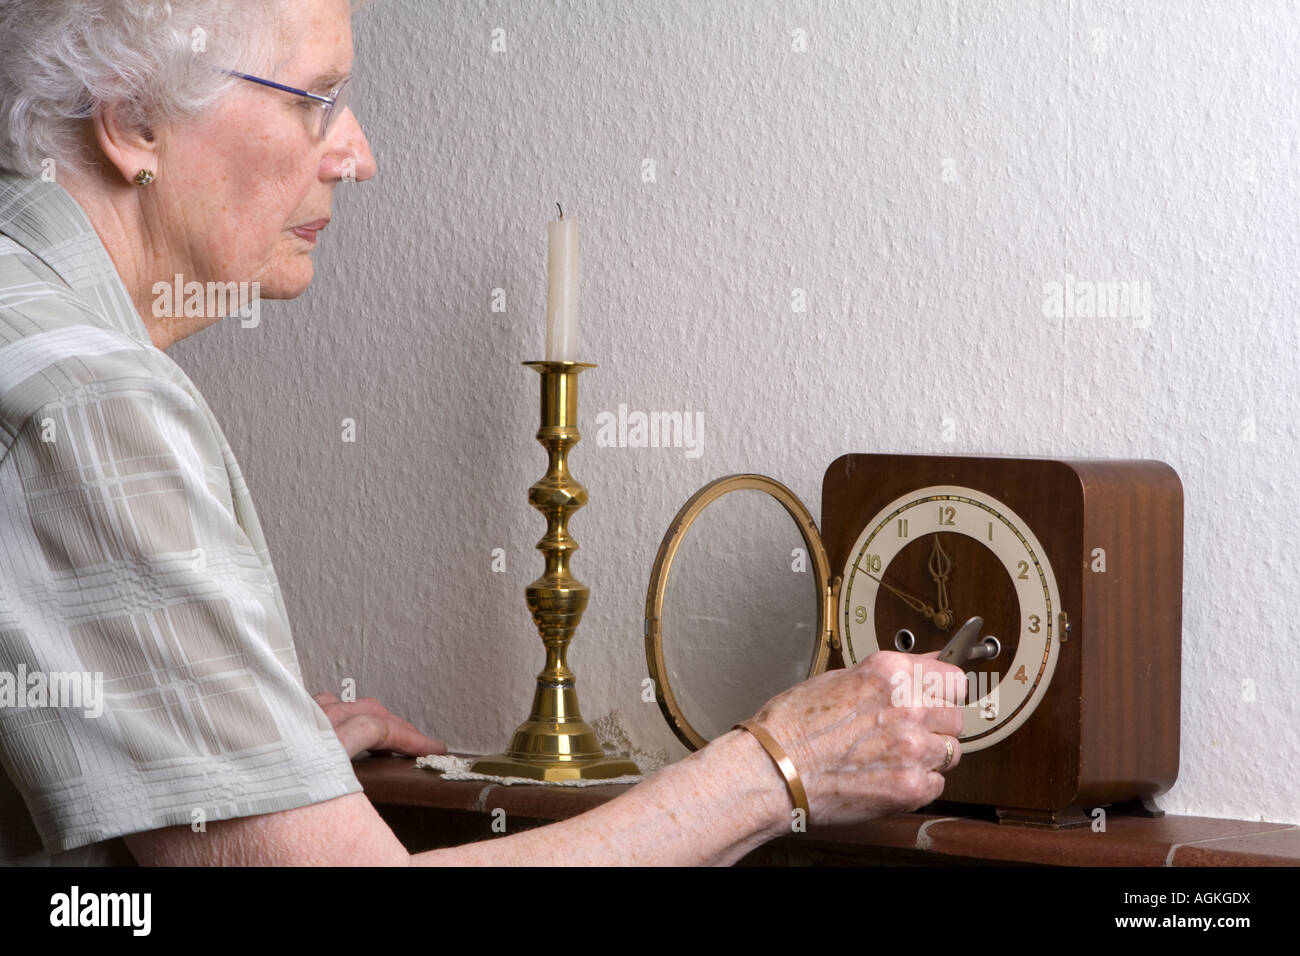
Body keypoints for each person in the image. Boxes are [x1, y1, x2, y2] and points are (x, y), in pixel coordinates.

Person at [0, 0, 965, 866]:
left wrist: (240, 755)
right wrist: (778, 767)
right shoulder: (91, 400)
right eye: (317, 98)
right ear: (133, 122)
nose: (357, 153)